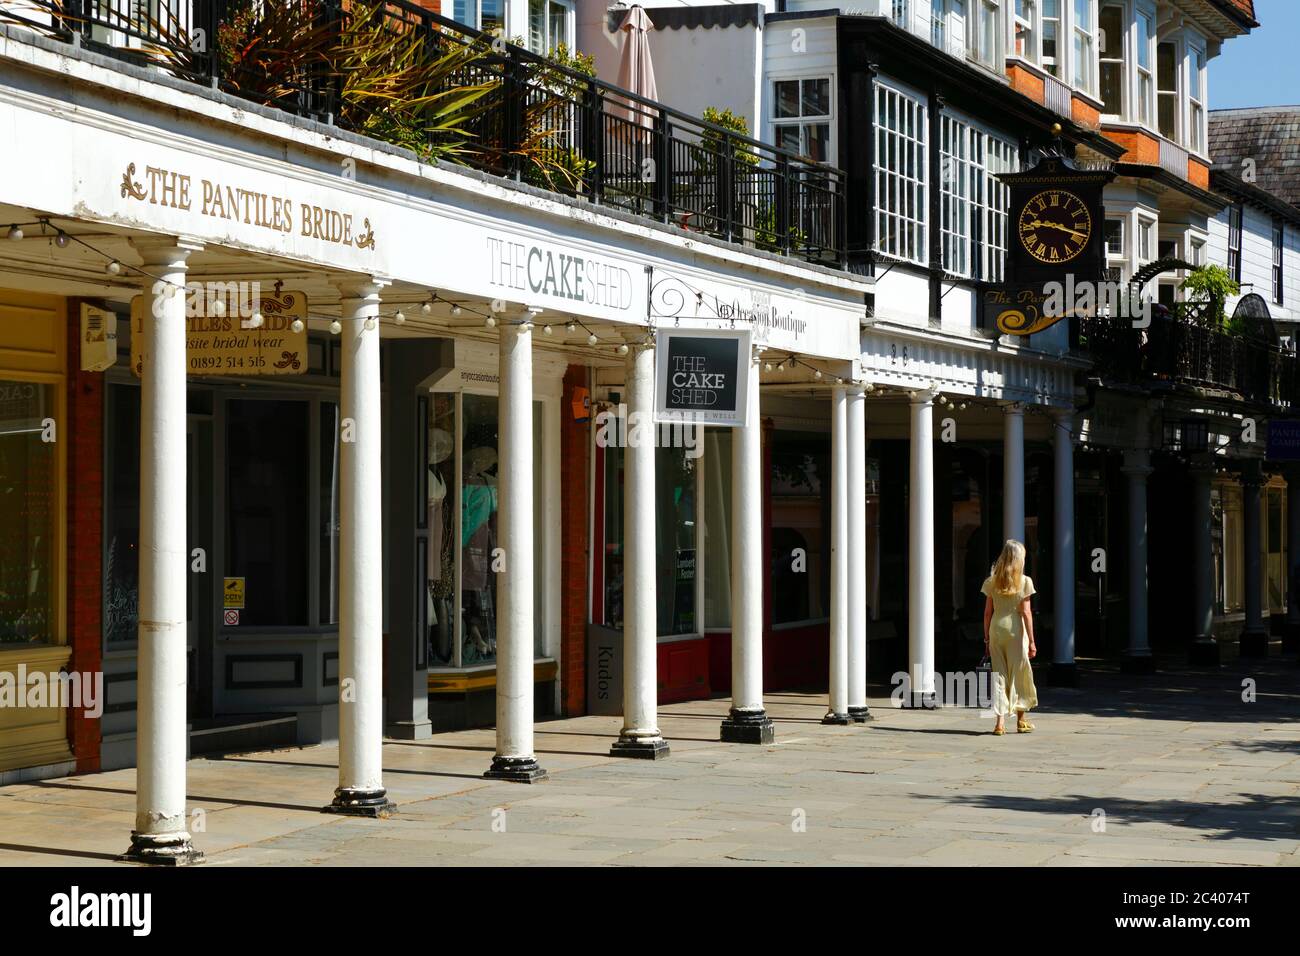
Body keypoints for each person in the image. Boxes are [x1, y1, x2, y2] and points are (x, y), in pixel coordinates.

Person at [981, 539, 1039, 736]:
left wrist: (986, 640)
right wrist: (1031, 641)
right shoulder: (1024, 581)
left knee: (999, 676)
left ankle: (1000, 724)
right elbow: (1026, 613)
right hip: (1016, 631)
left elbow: (987, 613)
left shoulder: (991, 581)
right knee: (1019, 674)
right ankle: (1021, 721)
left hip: (996, 630)